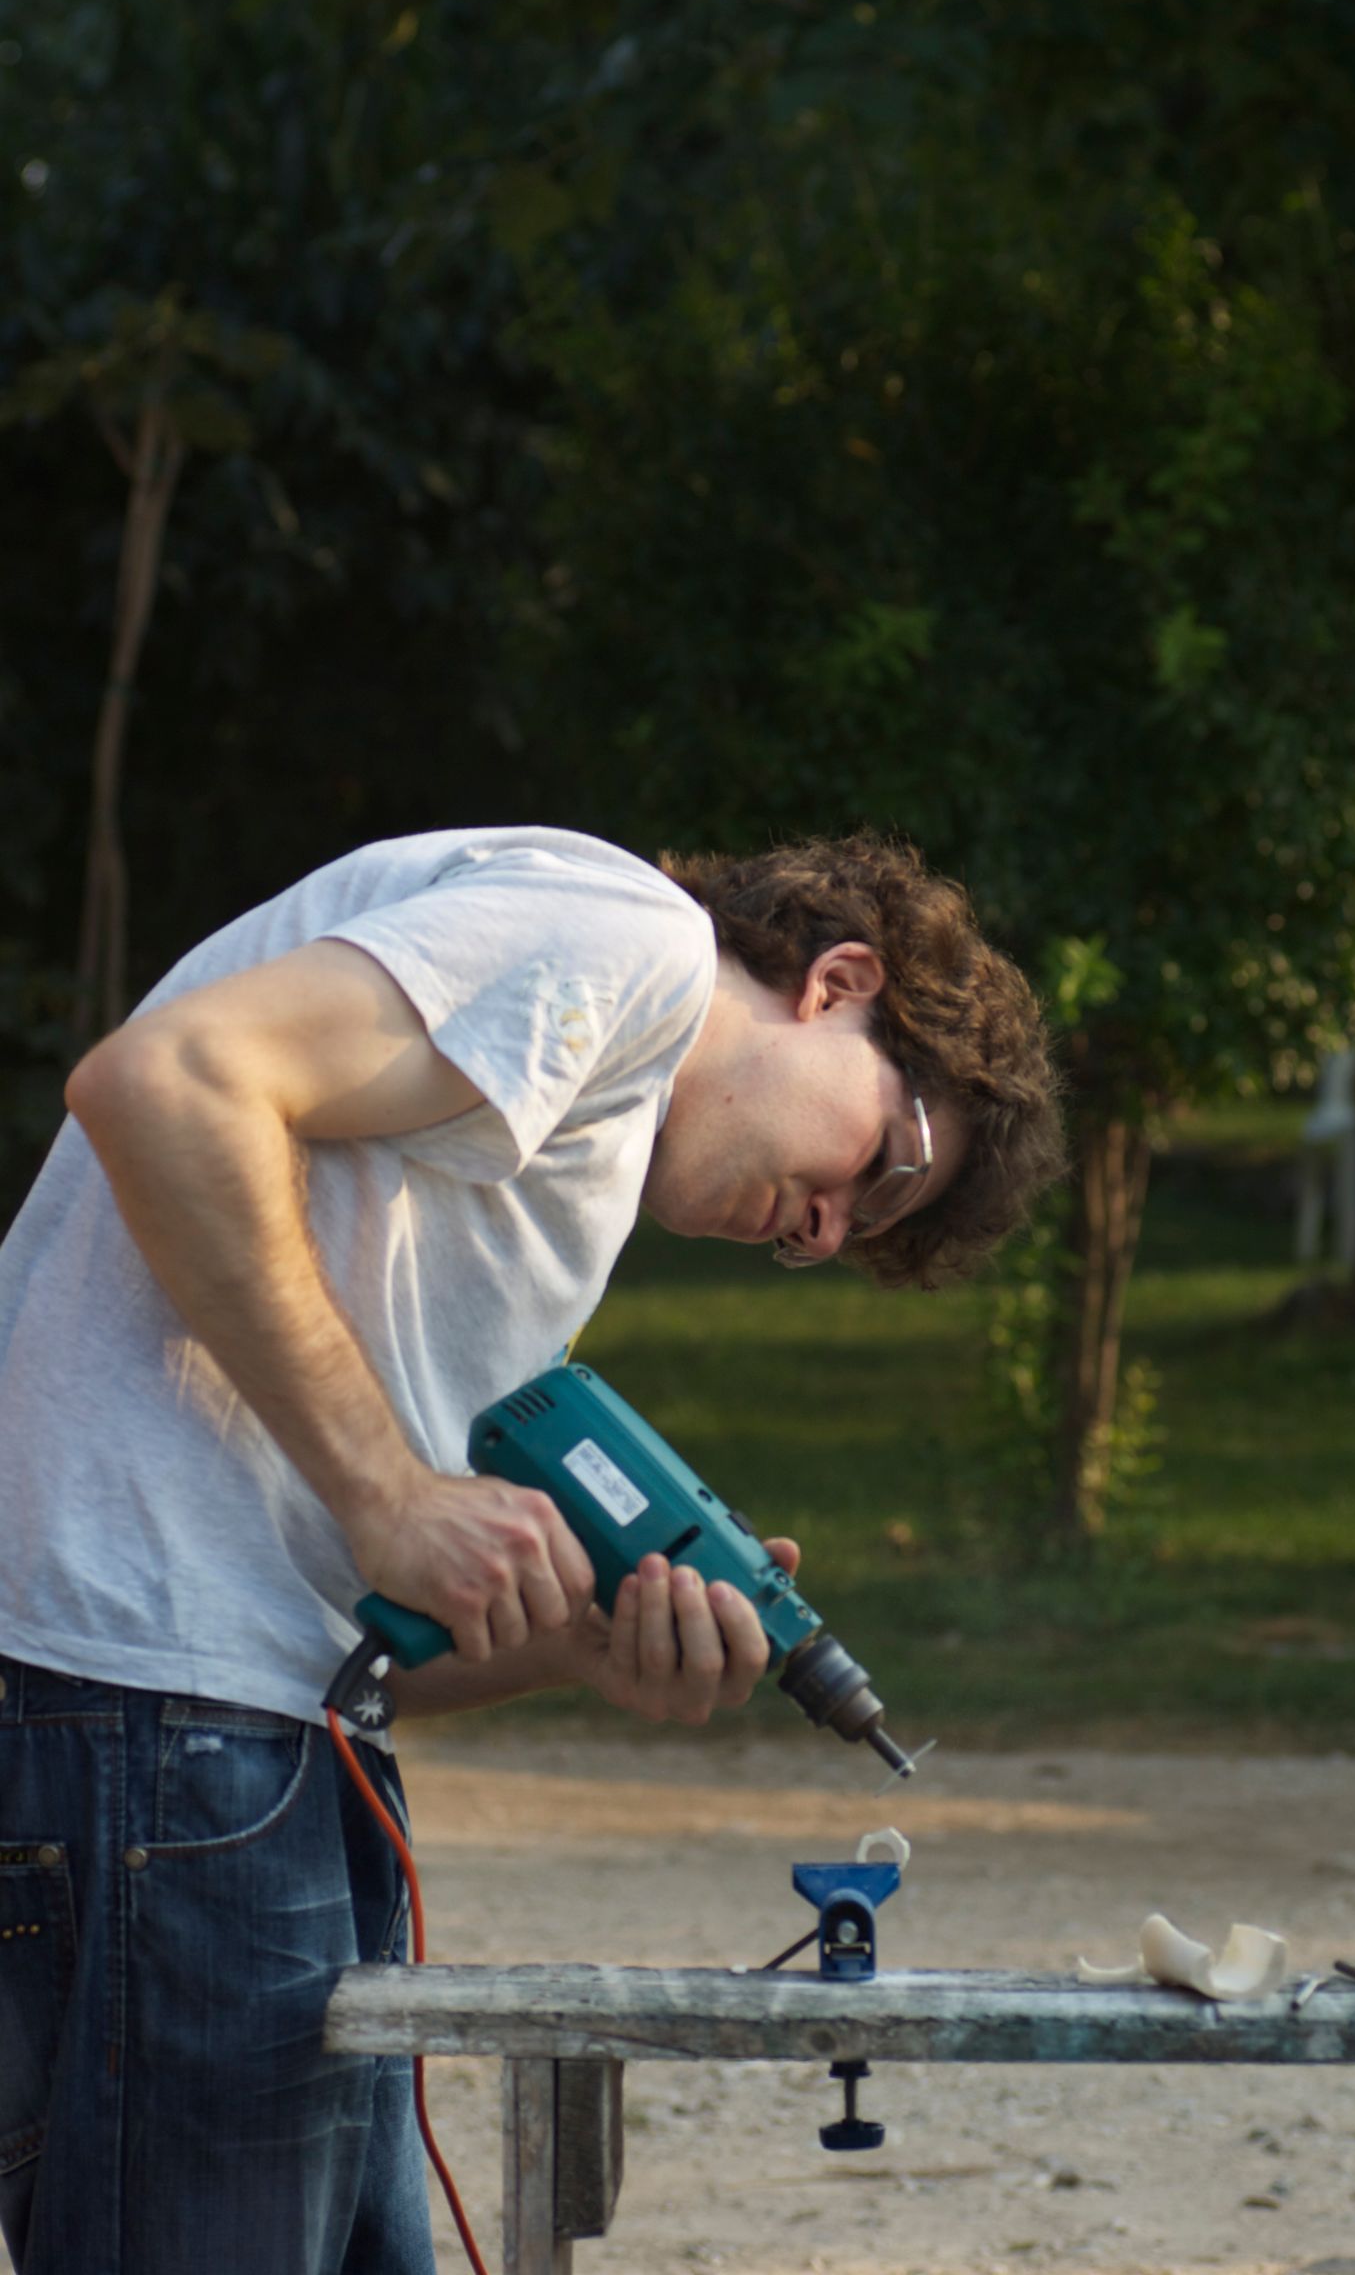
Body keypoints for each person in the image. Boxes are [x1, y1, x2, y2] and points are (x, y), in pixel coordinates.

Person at [0, 823, 1063, 2274]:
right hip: (160, 1732)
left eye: (860, 1237)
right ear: (841, 981)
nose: (824, 1232)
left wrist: (575, 1645)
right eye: (881, 1167)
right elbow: (163, 1081)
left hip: (229, 1741)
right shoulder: (622, 942)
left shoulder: (539, 1164)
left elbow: (355, 1620)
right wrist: (387, 1491)